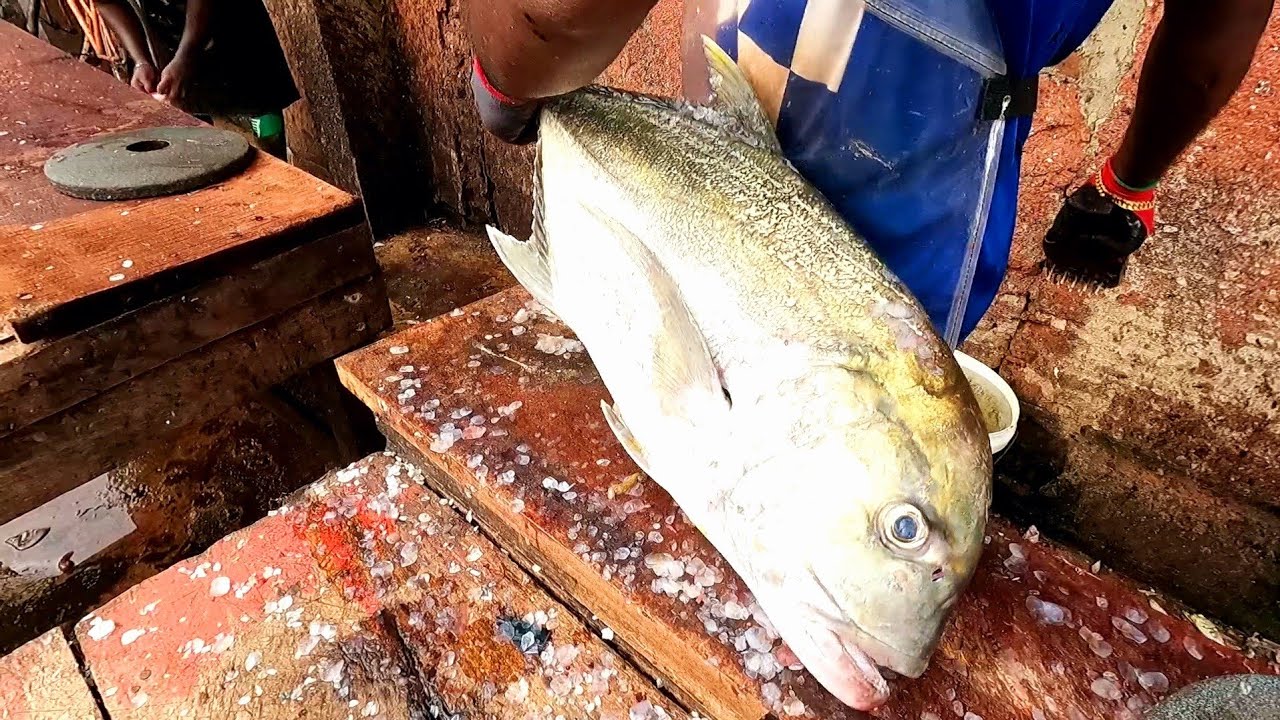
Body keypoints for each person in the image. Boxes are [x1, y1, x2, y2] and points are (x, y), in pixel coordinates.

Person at [464, 0, 1273, 346]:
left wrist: (510, 79)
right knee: (872, 405)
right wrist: (1127, 184)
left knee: (705, 351)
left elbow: (553, 12)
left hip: (747, 65)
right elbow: (1209, 45)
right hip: (928, 166)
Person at [97, 0, 299, 154]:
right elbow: (106, 2)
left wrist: (185, 56)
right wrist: (142, 60)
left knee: (261, 137)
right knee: (198, 147)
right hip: (165, 30)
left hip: (231, 31)